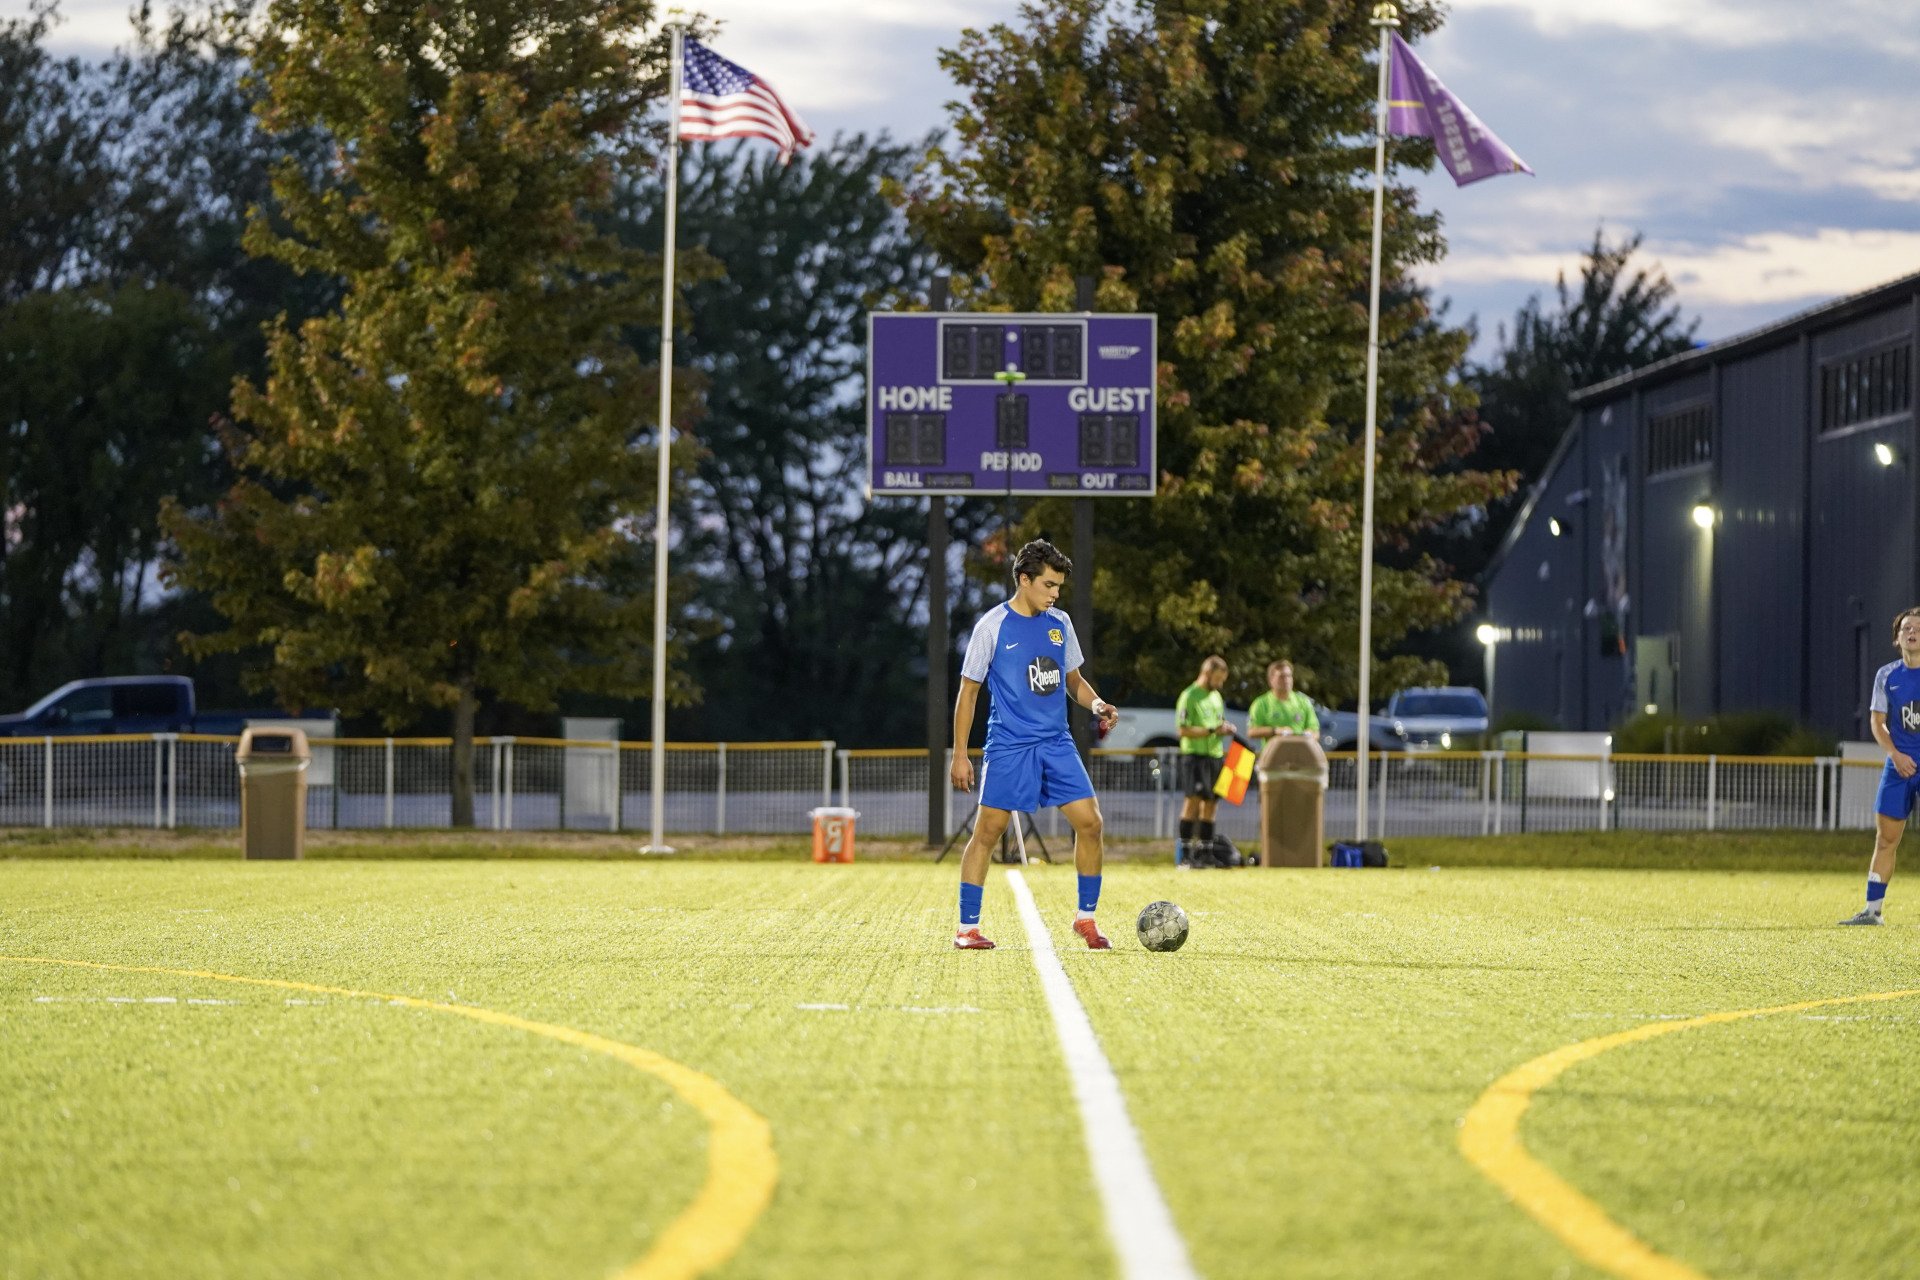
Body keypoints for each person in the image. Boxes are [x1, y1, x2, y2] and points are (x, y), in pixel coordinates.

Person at [949, 539, 1120, 950]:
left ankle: (1086, 919)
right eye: (1048, 585)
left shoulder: (1059, 622)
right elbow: (967, 693)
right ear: (1024, 581)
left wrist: (1096, 703)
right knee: (989, 830)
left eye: (1058, 586)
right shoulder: (991, 627)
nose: (1055, 593)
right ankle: (967, 928)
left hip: (1056, 743)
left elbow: (1072, 681)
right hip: (1009, 744)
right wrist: (959, 754)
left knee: (1091, 823)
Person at [1841, 607, 1920, 925]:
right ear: (1897, 638)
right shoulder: (1887, 675)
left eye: (1918, 628)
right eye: (1907, 628)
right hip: (1899, 766)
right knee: (1886, 839)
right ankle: (1872, 911)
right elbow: (1877, 722)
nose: (1912, 632)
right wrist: (1895, 755)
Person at [1174, 655, 1229, 865]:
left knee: (1211, 804)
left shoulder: (1216, 697)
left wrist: (1224, 728)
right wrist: (1211, 730)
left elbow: (1217, 722)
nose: (1220, 684)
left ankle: (1206, 854)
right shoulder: (1189, 696)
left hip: (1214, 755)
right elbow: (1182, 729)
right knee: (1193, 802)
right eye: (1218, 678)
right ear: (1207, 674)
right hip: (1194, 757)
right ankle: (1185, 856)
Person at [1248, 659, 1319, 745]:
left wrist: (1308, 735)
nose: (1286, 680)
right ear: (1271, 680)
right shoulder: (1261, 703)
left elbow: (1315, 731)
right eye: (1281, 677)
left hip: (1299, 755)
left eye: (1289, 676)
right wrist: (1275, 731)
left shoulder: (1303, 702)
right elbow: (1251, 732)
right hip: (1273, 756)